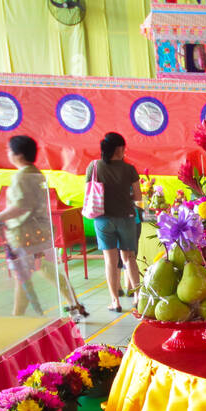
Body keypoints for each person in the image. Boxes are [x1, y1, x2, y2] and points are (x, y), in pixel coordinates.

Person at [0, 134, 85, 318]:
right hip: (40, 233)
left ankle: (17, 317)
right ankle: (74, 304)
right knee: (48, 272)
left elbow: (22, 206)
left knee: (23, 278)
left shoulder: (22, 177)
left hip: (25, 236)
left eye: (9, 150)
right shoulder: (36, 173)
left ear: (18, 155)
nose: (8, 153)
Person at [86, 132, 141, 312]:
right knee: (129, 258)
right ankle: (138, 297)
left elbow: (88, 192)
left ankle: (115, 301)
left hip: (102, 219)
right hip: (126, 218)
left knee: (110, 260)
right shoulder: (129, 169)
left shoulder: (94, 166)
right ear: (120, 149)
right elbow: (138, 196)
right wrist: (126, 199)